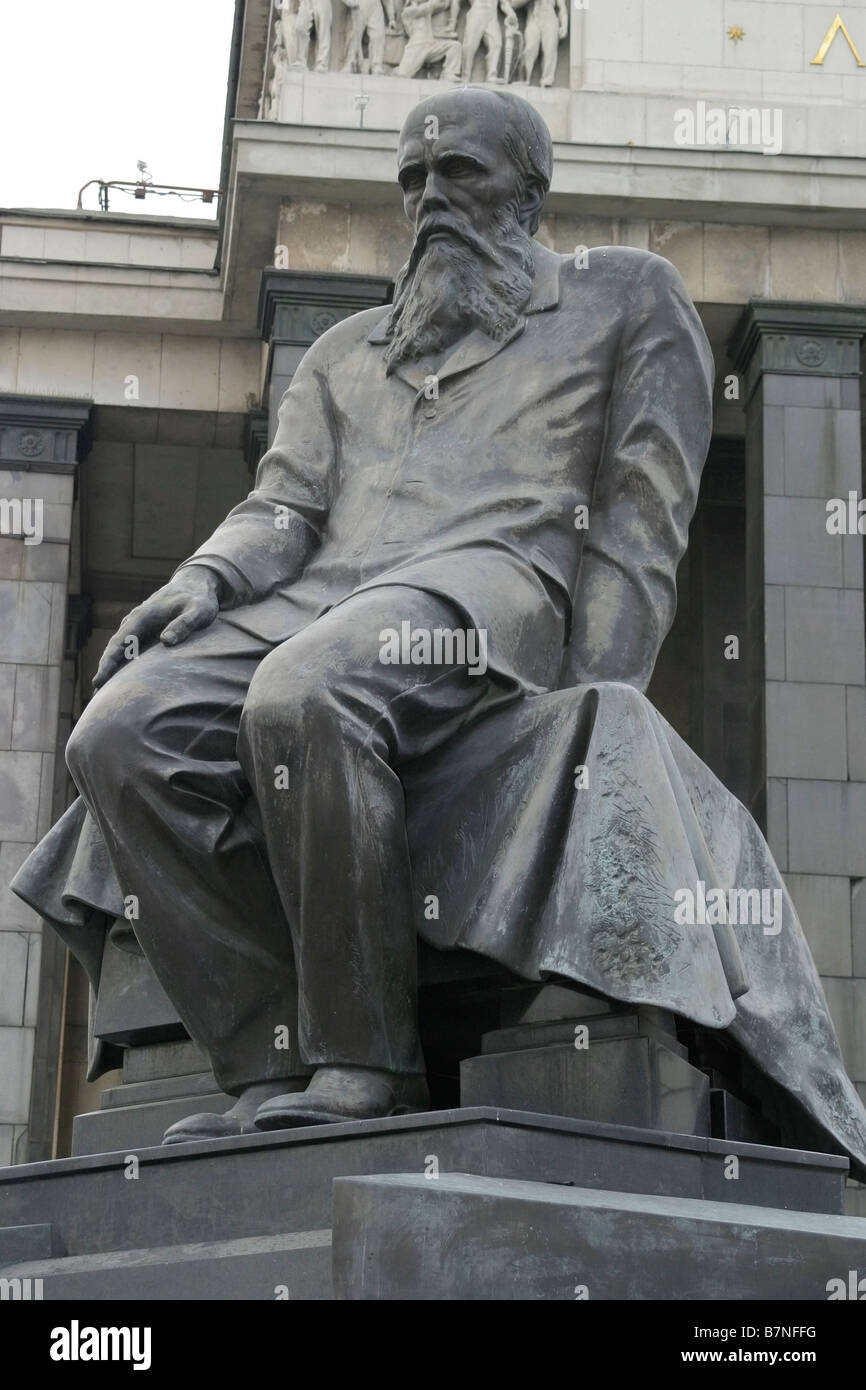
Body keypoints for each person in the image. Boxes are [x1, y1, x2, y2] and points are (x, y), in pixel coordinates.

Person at [14, 89, 866, 1179]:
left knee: (304, 693)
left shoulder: (622, 298)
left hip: (485, 585)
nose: (429, 204)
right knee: (116, 736)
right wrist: (203, 579)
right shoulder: (341, 354)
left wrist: (596, 691)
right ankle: (268, 1056)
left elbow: (644, 508)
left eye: (457, 175)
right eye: (412, 182)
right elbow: (281, 509)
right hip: (313, 592)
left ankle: (366, 1062)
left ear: (528, 189)